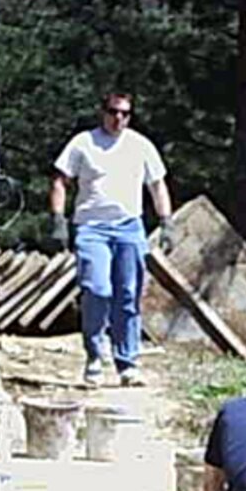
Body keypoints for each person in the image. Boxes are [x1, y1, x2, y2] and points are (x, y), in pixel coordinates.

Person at [50, 91, 171, 388]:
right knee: (97, 289)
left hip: (129, 227)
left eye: (125, 114)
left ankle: (127, 363)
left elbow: (157, 185)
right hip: (92, 228)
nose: (118, 118)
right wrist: (57, 219)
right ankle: (94, 356)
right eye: (113, 111)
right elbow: (59, 180)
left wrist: (167, 221)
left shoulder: (141, 146)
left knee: (128, 294)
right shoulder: (83, 143)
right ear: (102, 111)